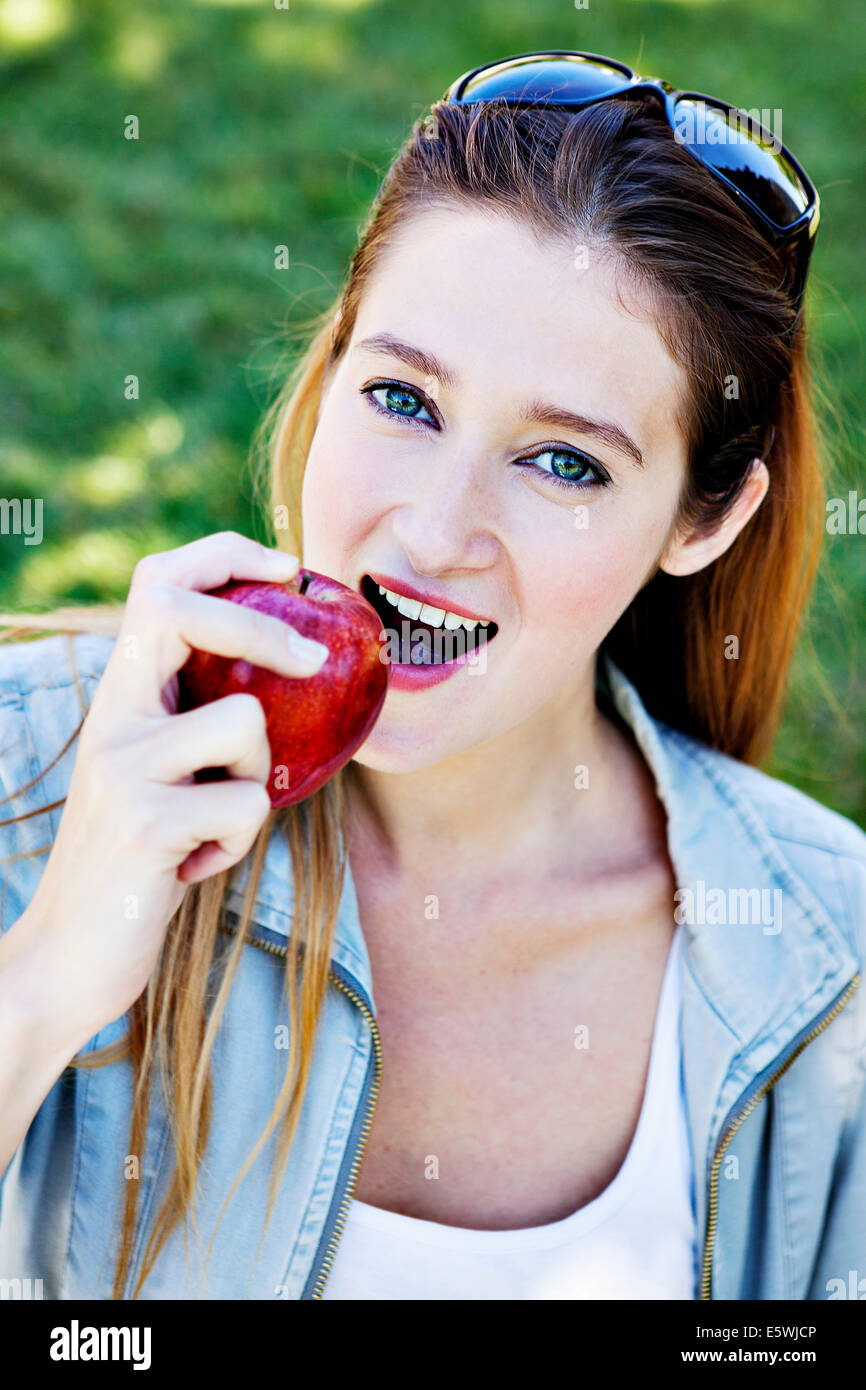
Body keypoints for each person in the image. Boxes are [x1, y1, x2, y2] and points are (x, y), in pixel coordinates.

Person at [0, 51, 863, 1302]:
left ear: (702, 521)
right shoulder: (27, 772)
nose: (432, 532)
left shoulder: (824, 959)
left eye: (563, 463)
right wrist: (52, 967)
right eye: (403, 397)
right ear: (330, 365)